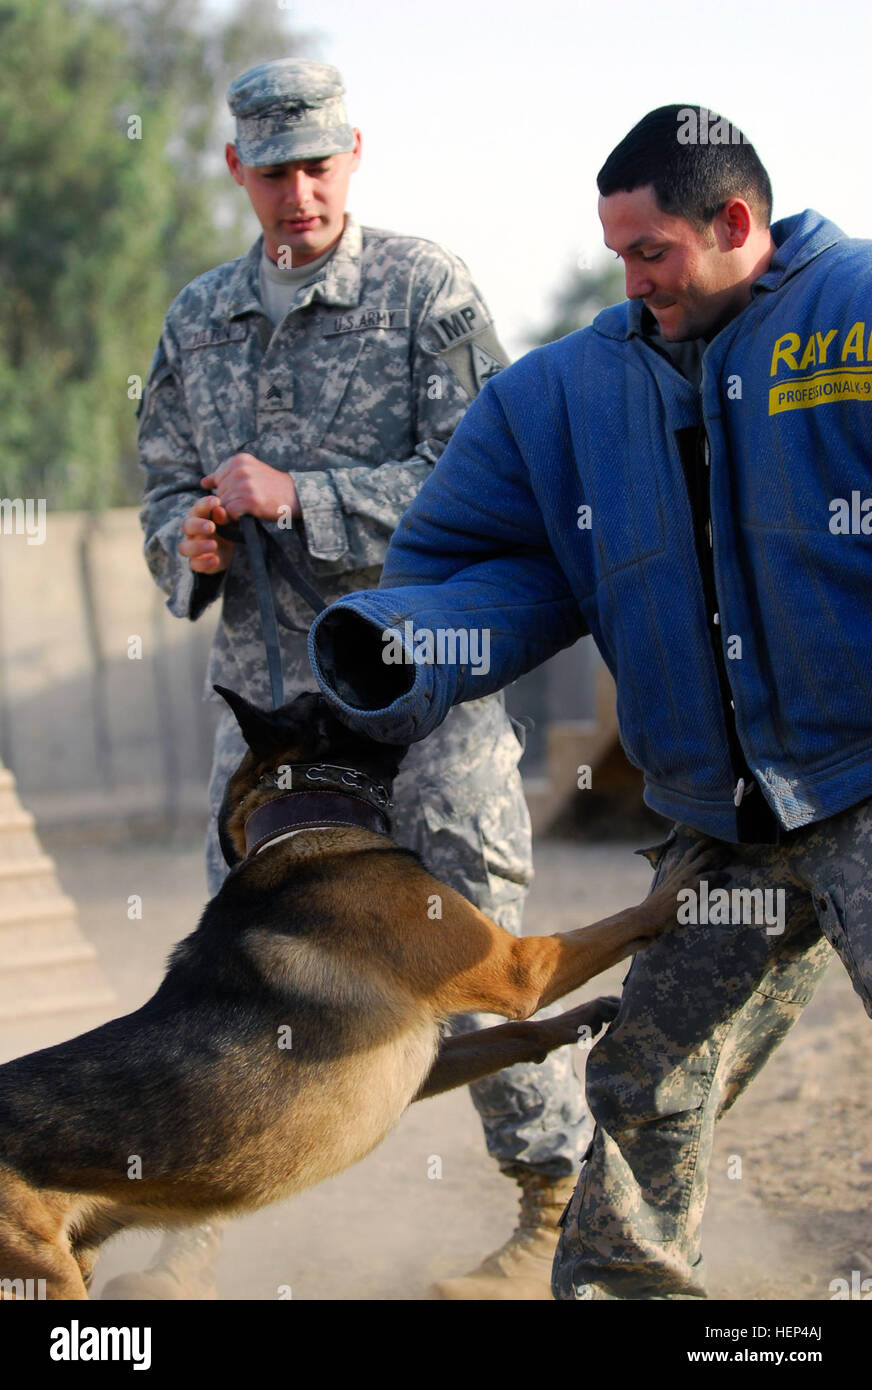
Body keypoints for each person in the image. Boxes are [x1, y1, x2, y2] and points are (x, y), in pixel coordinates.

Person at [307, 104, 872, 1300]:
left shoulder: (854, 315)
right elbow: (490, 563)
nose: (631, 282)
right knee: (646, 1080)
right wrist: (411, 643)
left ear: (733, 222)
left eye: (650, 252)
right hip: (725, 825)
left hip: (865, 780)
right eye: (615, 253)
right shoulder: (563, 396)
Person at [115, 58, 590, 1302]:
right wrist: (185, 543)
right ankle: (194, 1226)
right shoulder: (196, 319)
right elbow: (160, 488)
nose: (299, 193)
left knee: (470, 960)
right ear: (237, 169)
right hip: (272, 730)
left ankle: (550, 1211)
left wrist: (304, 497)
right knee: (240, 976)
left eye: (317, 165)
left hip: (419, 703)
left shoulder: (424, 289)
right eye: (273, 170)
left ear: (354, 154)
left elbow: (489, 481)